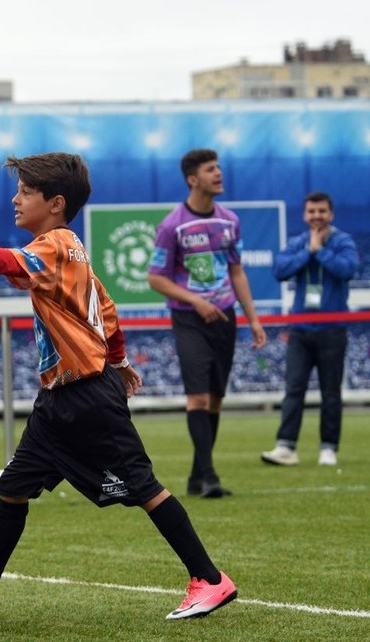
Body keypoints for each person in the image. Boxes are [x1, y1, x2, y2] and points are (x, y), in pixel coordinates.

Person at [0, 152, 237, 621]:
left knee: (143, 486)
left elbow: (9, 262)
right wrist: (120, 361)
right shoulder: (72, 252)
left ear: (56, 203)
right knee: (14, 488)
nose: (15, 199)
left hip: (86, 394)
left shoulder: (57, 244)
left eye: (25, 192)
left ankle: (209, 579)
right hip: (58, 398)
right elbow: (107, 310)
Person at [146, 148, 267, 499]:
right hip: (189, 319)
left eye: (218, 168)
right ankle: (210, 476)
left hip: (225, 317)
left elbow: (236, 271)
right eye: (211, 169)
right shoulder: (172, 225)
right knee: (197, 397)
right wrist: (196, 300)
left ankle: (196, 476)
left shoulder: (230, 221)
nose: (218, 174)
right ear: (192, 179)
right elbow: (156, 278)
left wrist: (253, 319)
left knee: (215, 400)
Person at [261, 192, 359, 467]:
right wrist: (308, 251)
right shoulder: (298, 243)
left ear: (331, 214)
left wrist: (321, 251)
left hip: (332, 329)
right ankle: (286, 446)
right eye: (312, 211)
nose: (317, 216)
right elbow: (279, 270)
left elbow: (348, 269)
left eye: (322, 211)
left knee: (331, 392)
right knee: (294, 389)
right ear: (305, 215)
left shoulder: (343, 241)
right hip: (301, 329)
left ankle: (328, 448)